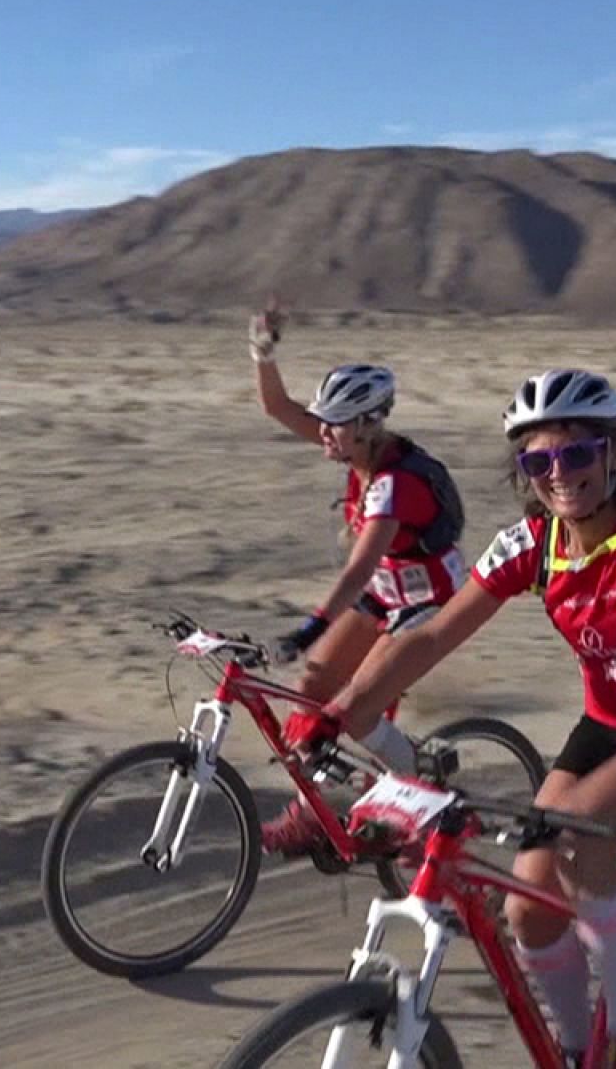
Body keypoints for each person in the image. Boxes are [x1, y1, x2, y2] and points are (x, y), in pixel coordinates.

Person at [312, 368, 616, 1068]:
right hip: (612, 724)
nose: (560, 473)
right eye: (538, 460)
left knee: (582, 848)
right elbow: (428, 636)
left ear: (615, 451)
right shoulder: (534, 543)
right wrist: (341, 711)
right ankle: (581, 1054)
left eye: (578, 453)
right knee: (526, 905)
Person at [245, 306, 470, 857]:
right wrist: (262, 351)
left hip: (428, 606)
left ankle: (433, 807)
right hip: (388, 594)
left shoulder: (394, 486)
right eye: (323, 420)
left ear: (368, 426)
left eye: (335, 423)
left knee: (353, 710)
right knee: (313, 688)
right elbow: (277, 407)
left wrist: (308, 629)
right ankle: (315, 814)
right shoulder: (359, 456)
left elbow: (358, 569)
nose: (323, 431)